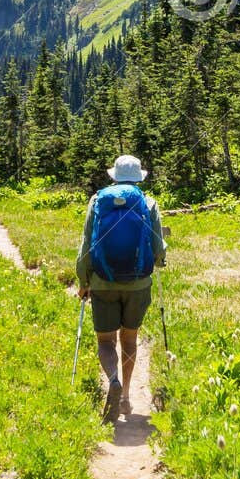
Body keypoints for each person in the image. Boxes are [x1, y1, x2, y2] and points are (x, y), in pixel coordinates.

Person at [76, 154, 166, 419]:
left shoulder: (97, 201)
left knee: (106, 340)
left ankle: (113, 379)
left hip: (103, 282)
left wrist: (83, 280)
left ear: (114, 176)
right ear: (139, 178)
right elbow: (158, 248)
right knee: (129, 338)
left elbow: (86, 245)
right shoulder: (148, 203)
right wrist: (160, 260)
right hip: (138, 284)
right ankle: (125, 396)